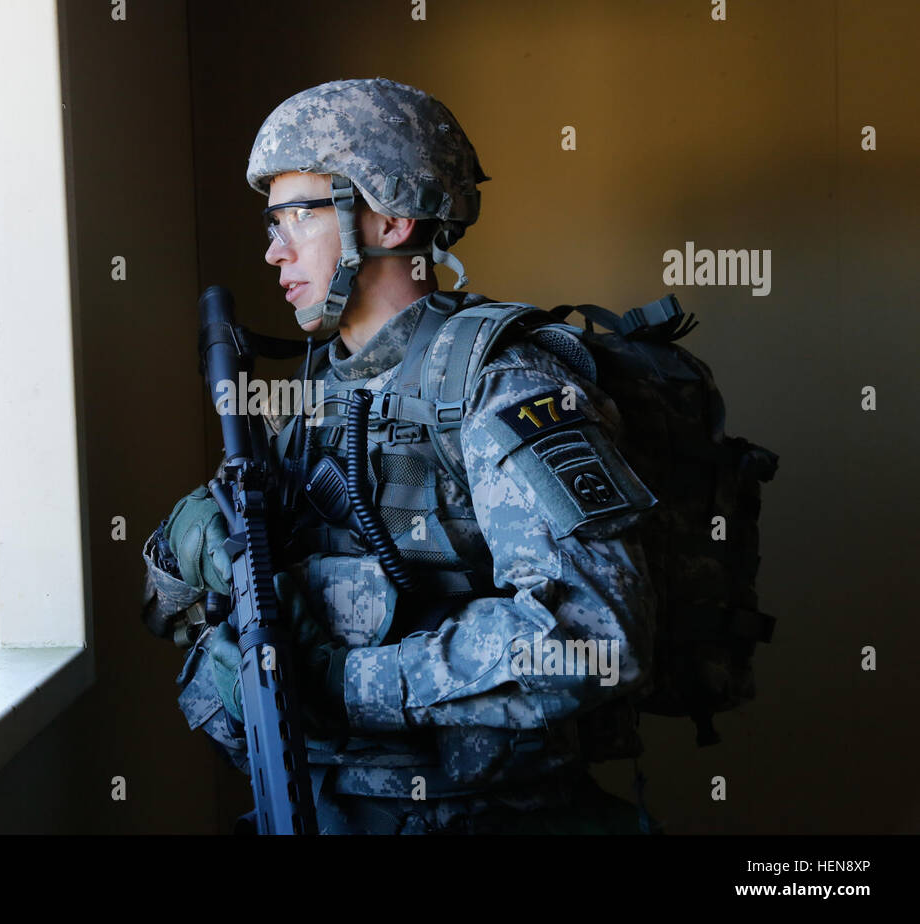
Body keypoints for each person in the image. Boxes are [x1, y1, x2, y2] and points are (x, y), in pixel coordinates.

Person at [142, 77, 659, 834]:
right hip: (326, 804)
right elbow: (174, 611)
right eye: (270, 221)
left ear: (387, 219)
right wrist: (185, 551)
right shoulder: (324, 389)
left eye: (294, 217)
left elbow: (595, 635)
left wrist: (348, 684)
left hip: (485, 817)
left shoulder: (501, 385)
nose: (271, 250)